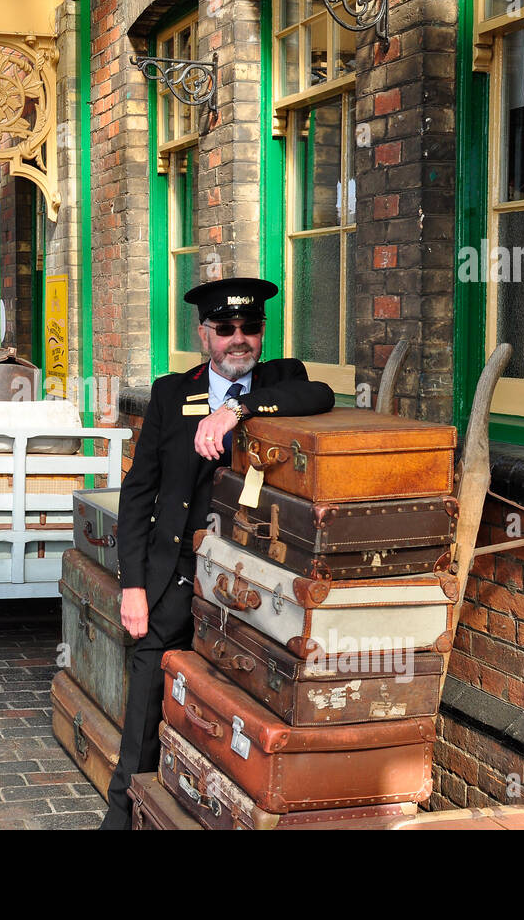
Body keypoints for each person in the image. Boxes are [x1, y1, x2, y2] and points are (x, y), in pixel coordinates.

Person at [99, 277, 335, 829]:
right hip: (178, 574)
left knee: (233, 704)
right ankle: (121, 817)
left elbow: (319, 396)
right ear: (204, 335)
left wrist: (237, 411)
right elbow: (137, 496)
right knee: (146, 708)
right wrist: (132, 585)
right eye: (225, 329)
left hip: (250, 580)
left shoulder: (284, 380)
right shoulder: (169, 392)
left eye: (250, 328)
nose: (239, 339)